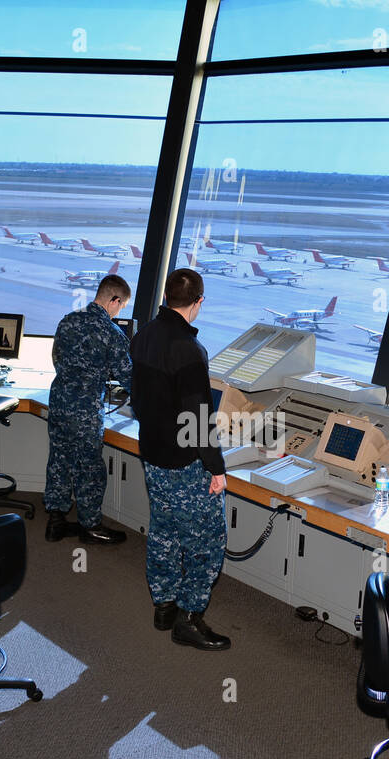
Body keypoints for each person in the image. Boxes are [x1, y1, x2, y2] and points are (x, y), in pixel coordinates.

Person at [130, 268, 229, 651]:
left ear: (166, 297)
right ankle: (189, 618)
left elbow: (138, 398)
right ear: (198, 301)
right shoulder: (189, 350)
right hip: (185, 464)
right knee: (207, 541)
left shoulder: (143, 336)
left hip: (153, 455)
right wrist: (216, 469)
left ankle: (164, 606)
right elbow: (199, 419)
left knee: (165, 531)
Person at [44, 275, 133, 545]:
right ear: (114, 300)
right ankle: (91, 526)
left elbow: (57, 359)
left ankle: (56, 521)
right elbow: (129, 378)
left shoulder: (68, 321)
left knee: (59, 460)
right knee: (90, 469)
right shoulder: (111, 332)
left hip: (59, 402)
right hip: (85, 410)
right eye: (121, 305)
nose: (119, 311)